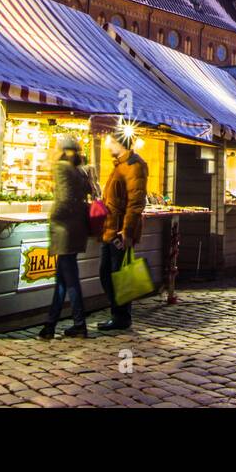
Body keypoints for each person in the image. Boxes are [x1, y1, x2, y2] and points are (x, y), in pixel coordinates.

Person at [39, 135, 93, 339]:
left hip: (64, 229)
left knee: (70, 281)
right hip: (76, 229)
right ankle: (50, 324)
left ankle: (79, 324)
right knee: (63, 280)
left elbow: (65, 199)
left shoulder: (61, 167)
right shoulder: (80, 170)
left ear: (63, 149)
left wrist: (53, 216)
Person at [97, 131, 148, 331]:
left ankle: (121, 317)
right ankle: (118, 313)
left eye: (110, 141)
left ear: (120, 143)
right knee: (106, 273)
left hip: (119, 231)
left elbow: (135, 203)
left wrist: (127, 232)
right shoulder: (119, 165)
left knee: (119, 275)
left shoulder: (134, 166)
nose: (107, 145)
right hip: (109, 228)